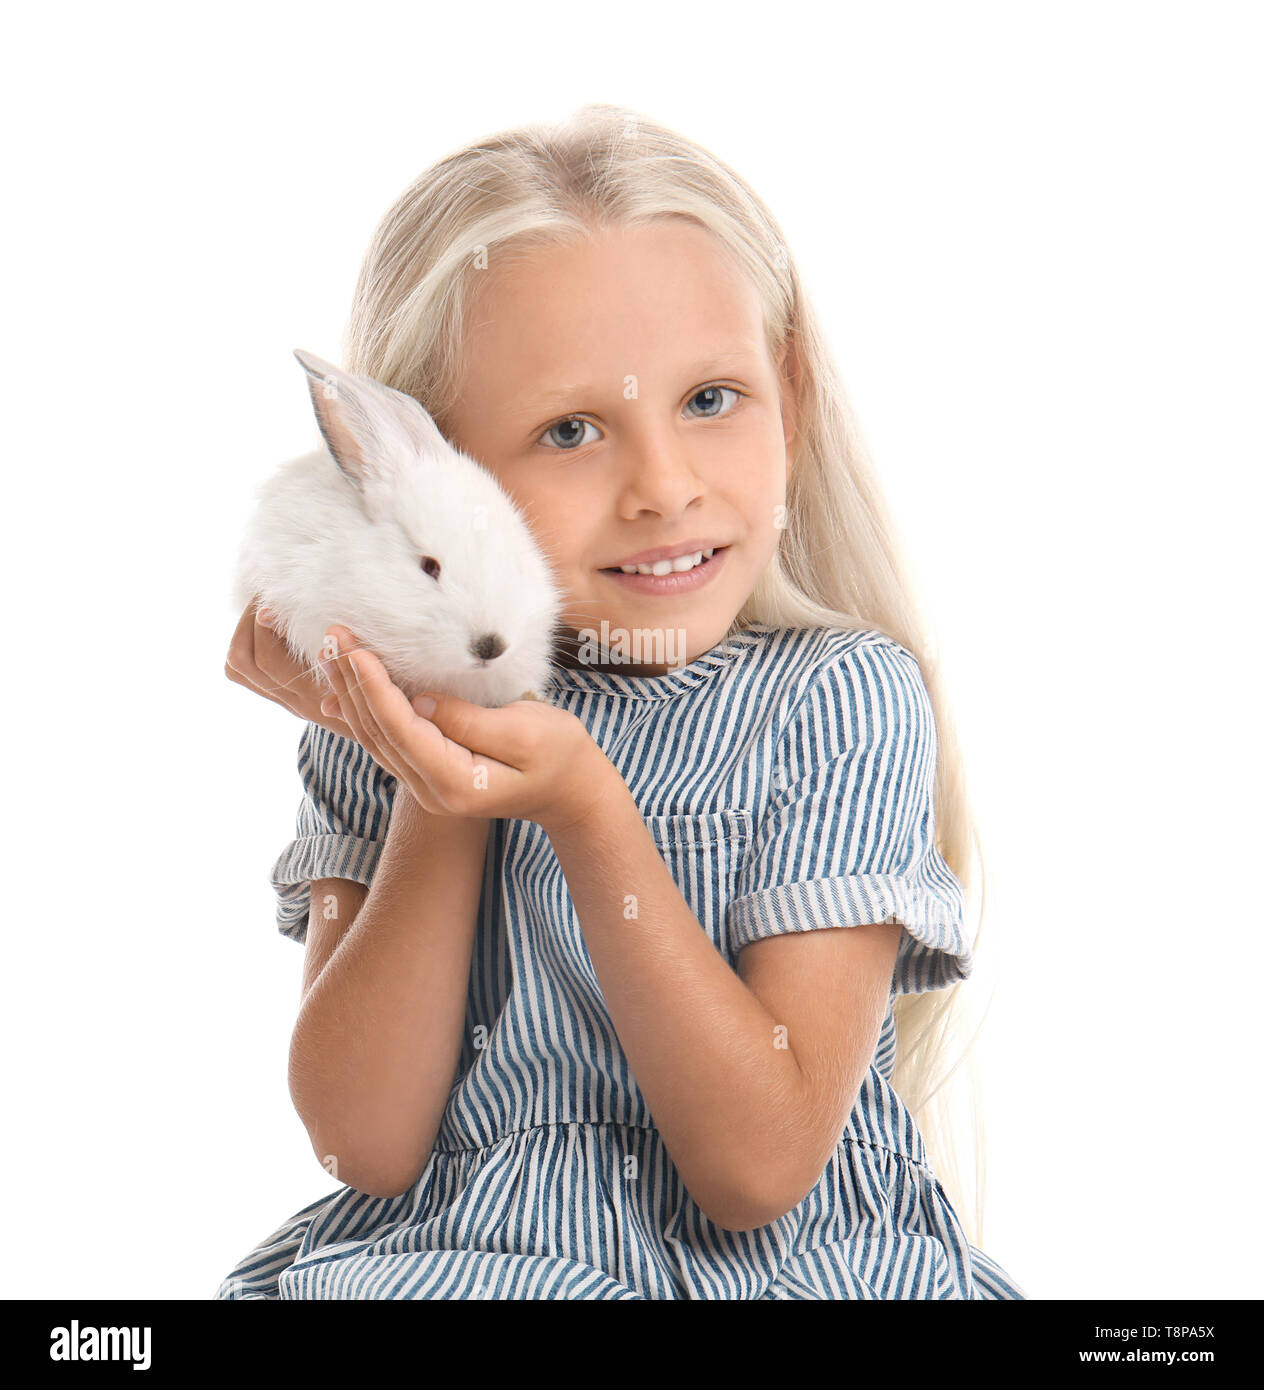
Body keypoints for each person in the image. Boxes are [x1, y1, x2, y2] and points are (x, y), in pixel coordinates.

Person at [217, 102, 1026, 1300]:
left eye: (709, 400)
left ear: (788, 397)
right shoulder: (392, 725)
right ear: (440, 479)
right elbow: (364, 1141)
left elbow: (756, 1170)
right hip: (468, 1264)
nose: (662, 487)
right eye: (572, 429)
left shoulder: (836, 700)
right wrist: (445, 773)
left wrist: (589, 812)